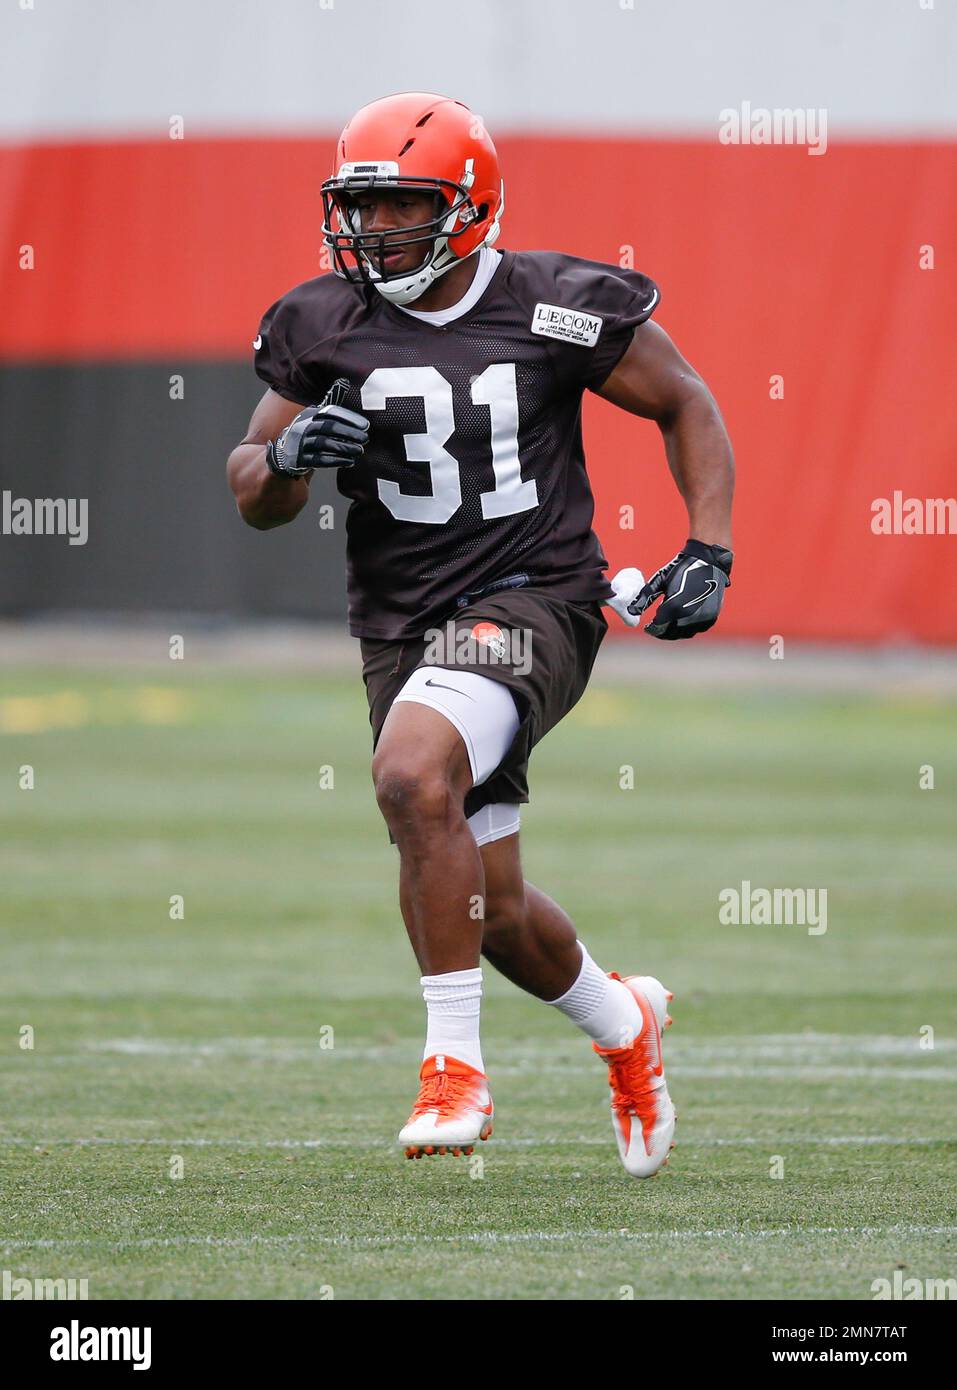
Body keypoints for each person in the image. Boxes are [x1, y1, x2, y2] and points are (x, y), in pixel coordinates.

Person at [227, 92, 734, 1176]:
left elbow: (684, 399)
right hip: (401, 621)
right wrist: (289, 456)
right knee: (491, 908)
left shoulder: (558, 302)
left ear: (469, 205)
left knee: (411, 775)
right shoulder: (322, 320)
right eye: (362, 208)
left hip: (536, 596)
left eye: (404, 205)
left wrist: (710, 546)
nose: (376, 232)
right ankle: (624, 1022)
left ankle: (452, 1068)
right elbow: (250, 489)